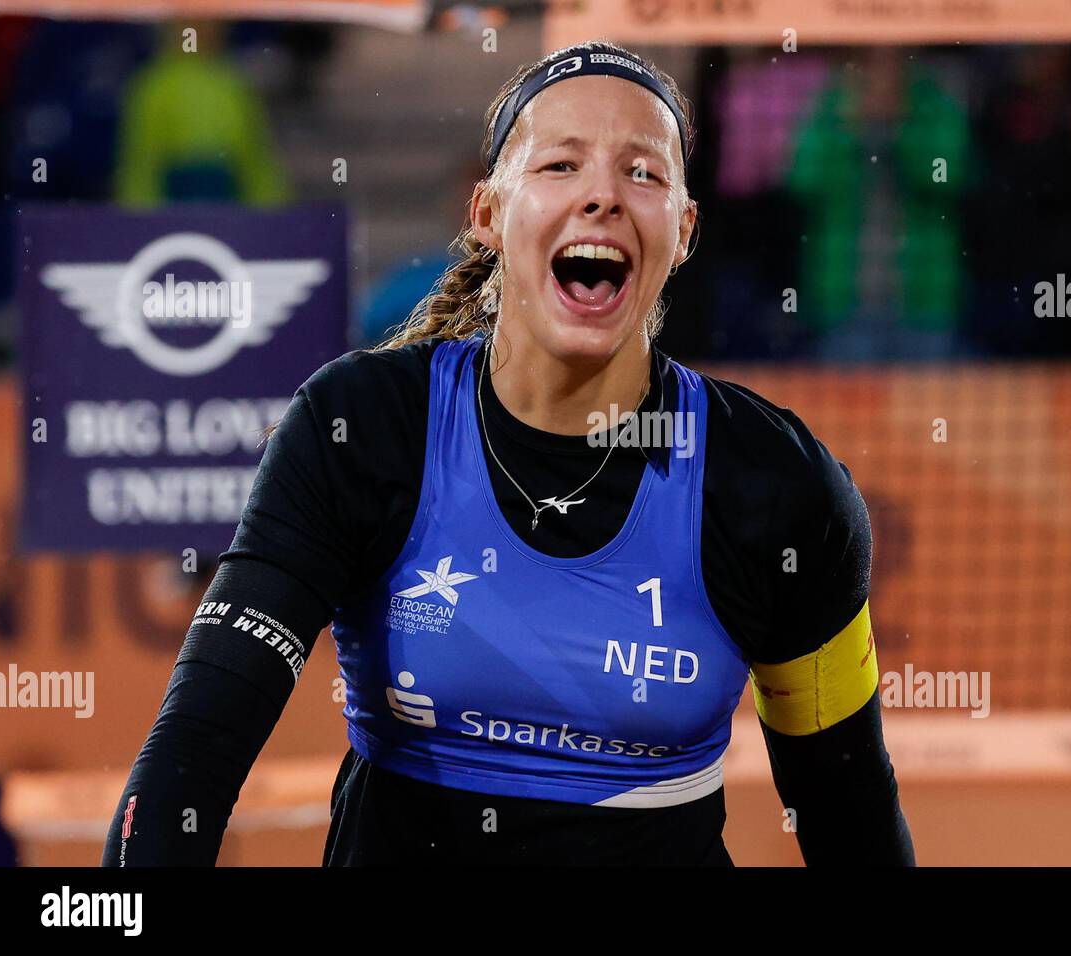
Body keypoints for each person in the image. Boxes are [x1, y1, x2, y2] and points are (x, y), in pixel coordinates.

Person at [101, 39, 915, 867]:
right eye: (561, 165)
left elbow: (849, 813)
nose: (603, 194)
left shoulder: (778, 489)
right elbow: (192, 757)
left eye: (643, 172)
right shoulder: (361, 427)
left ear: (684, 229)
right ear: (487, 214)